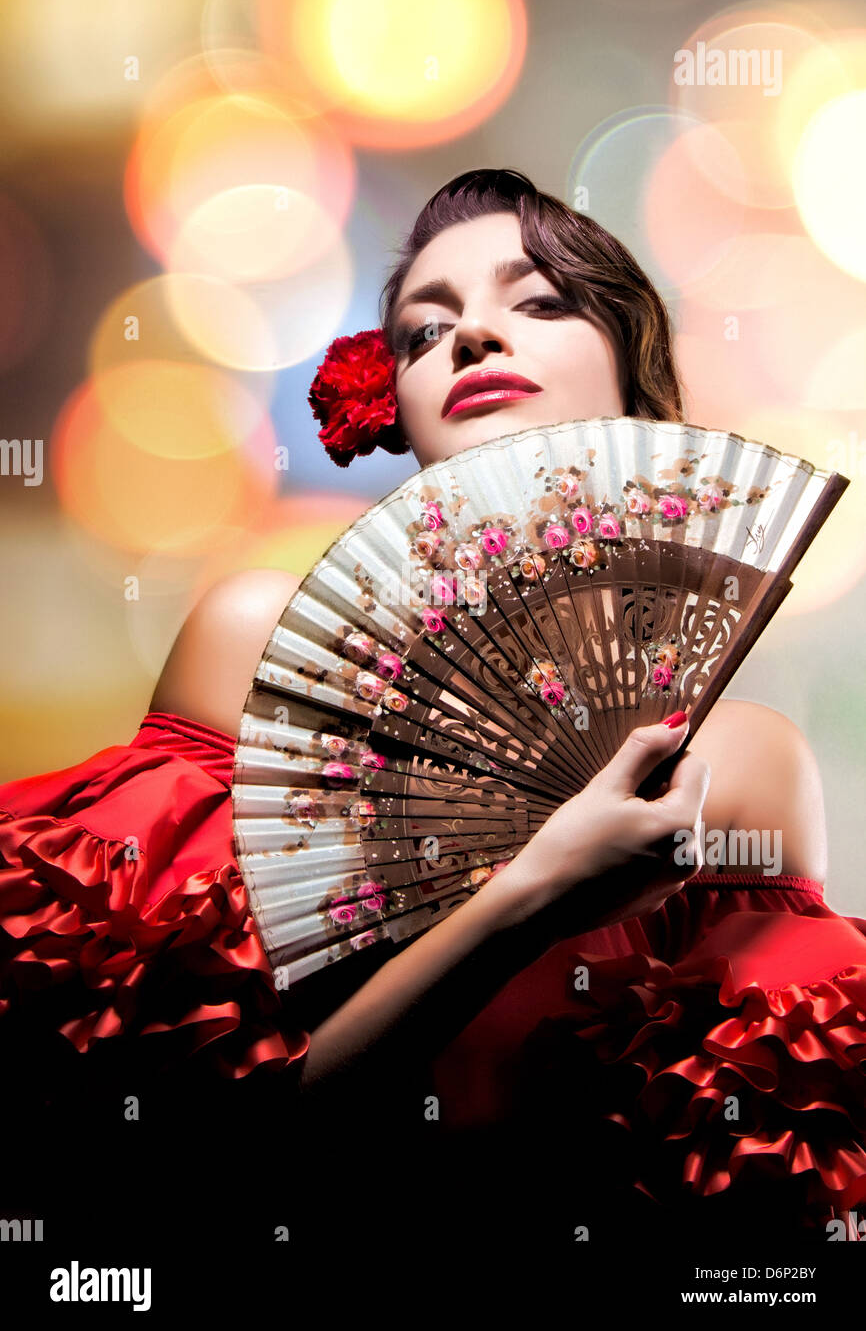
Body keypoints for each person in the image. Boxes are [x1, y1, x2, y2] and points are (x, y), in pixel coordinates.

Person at [1, 170, 864, 1250]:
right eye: (423, 330)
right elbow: (183, 1154)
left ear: (637, 388)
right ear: (395, 408)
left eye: (539, 302)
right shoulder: (256, 647)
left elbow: (756, 1227)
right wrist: (535, 894)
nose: (471, 338)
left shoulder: (738, 763)